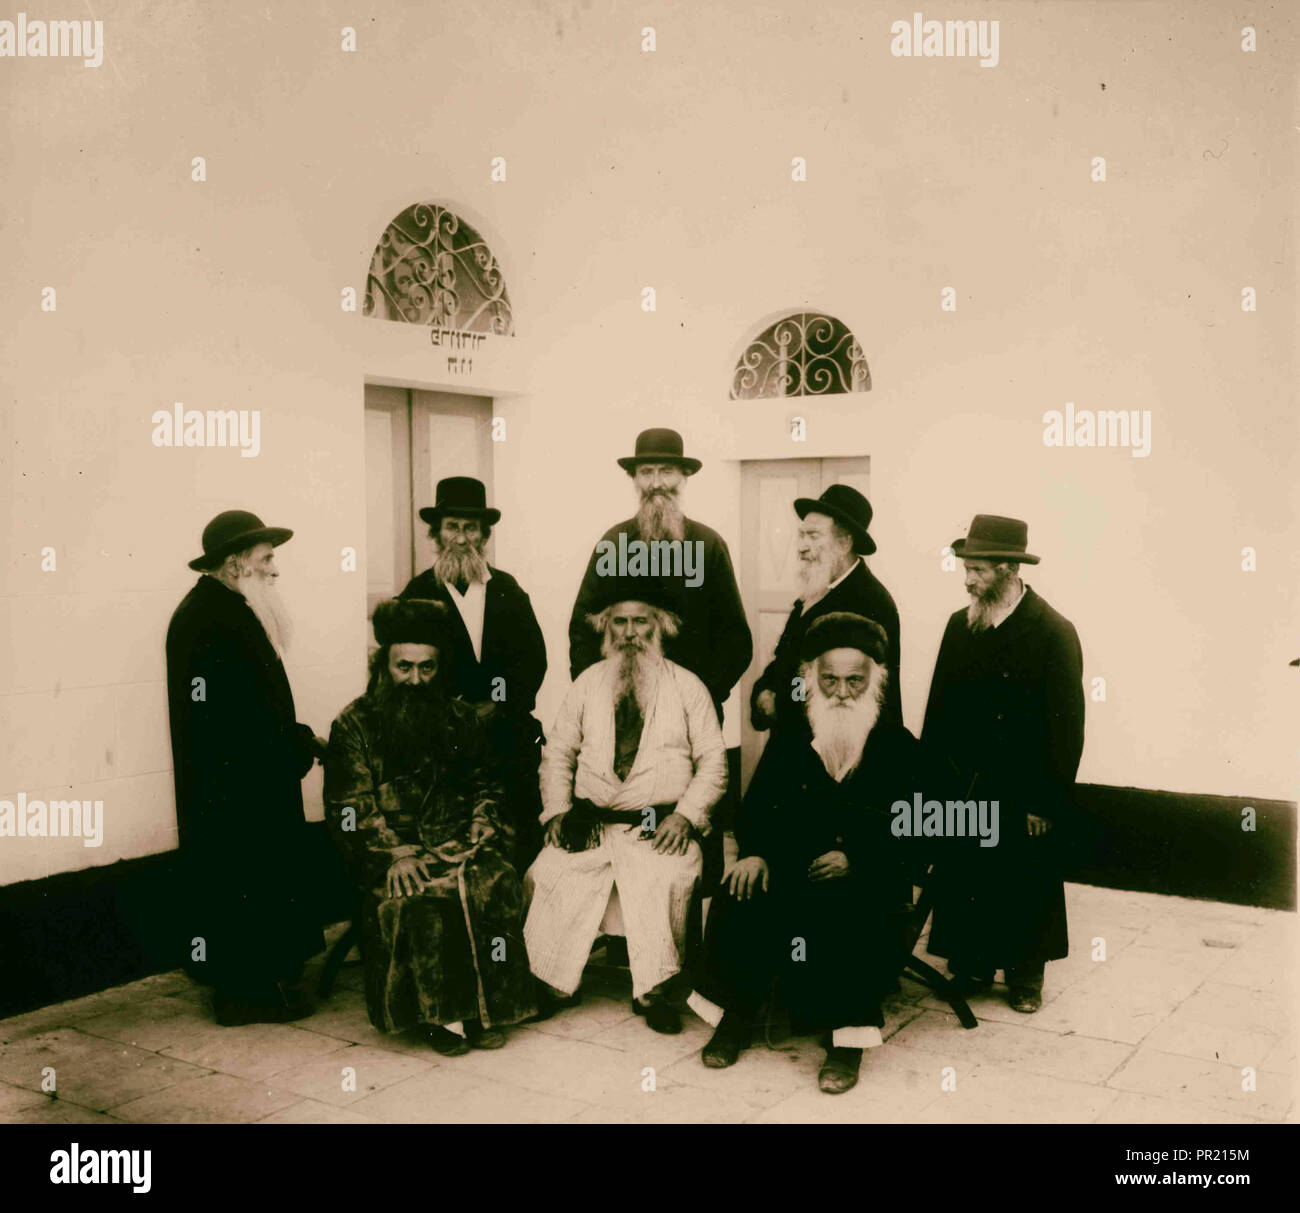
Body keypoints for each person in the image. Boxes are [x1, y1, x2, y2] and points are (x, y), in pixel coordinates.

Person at [691, 612, 931, 1094]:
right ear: (812, 681)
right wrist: (755, 853)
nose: (842, 692)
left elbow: (920, 834)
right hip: (791, 871)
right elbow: (756, 809)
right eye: (831, 680)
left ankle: (846, 1041)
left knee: (850, 913)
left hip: (866, 880)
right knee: (741, 894)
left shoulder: (897, 747)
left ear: (874, 681)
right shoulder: (791, 739)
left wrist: (858, 858)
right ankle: (736, 1018)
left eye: (854, 681)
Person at [323, 598, 535, 1055]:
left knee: (492, 882)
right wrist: (394, 854)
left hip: (458, 843)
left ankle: (485, 1010)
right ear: (384, 665)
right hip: (393, 853)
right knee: (418, 900)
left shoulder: (460, 718)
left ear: (440, 667)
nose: (415, 680)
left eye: (427, 668)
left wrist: (483, 823)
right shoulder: (353, 723)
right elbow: (349, 806)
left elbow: (486, 784)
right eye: (404, 667)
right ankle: (438, 1017)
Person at [525, 579, 727, 1034]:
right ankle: (553, 982)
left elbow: (714, 761)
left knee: (663, 879)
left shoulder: (689, 687)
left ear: (661, 626)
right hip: (591, 825)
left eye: (641, 620)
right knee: (548, 872)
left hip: (658, 828)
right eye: (621, 621)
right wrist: (556, 812)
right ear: (606, 626)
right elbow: (557, 753)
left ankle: (654, 989)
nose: (630, 631)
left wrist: (686, 816)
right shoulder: (586, 684)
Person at [165, 510, 324, 1026]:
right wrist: (299, 744)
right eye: (266, 559)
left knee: (249, 884)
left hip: (244, 782)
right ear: (236, 566)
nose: (275, 569)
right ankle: (246, 996)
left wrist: (294, 742)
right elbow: (239, 720)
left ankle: (262, 985)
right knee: (241, 883)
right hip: (234, 789)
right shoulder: (211, 618)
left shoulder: (223, 608)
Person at [921, 514, 1085, 1013]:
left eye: (978, 570)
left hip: (1023, 789)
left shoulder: (1053, 631)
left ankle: (1025, 974)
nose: (967, 579)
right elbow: (939, 709)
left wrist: (1045, 802)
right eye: (965, 568)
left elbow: (1066, 728)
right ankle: (971, 963)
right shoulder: (960, 624)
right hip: (964, 784)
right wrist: (931, 785)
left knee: (1023, 879)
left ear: (1010, 568)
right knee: (968, 874)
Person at [400, 476, 548, 869]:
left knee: (517, 840)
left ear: (483, 535)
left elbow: (532, 660)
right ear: (437, 533)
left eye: (470, 528)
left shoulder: (507, 590)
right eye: (452, 527)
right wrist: (456, 713)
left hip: (506, 735)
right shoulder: (416, 594)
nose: (461, 538)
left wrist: (496, 704)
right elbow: (405, 669)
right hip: (442, 742)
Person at [567, 428, 752, 722]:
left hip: (692, 712)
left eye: (666, 471)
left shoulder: (708, 545)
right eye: (646, 472)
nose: (656, 483)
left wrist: (701, 695)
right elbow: (583, 628)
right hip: (623, 713)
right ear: (635, 479)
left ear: (683, 476)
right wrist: (599, 695)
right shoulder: (614, 543)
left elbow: (735, 640)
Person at [750, 484, 902, 734]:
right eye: (801, 535)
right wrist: (765, 689)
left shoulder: (869, 601)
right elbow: (788, 660)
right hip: (797, 737)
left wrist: (782, 699)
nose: (801, 546)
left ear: (843, 543)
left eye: (813, 535)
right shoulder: (815, 591)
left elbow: (837, 686)